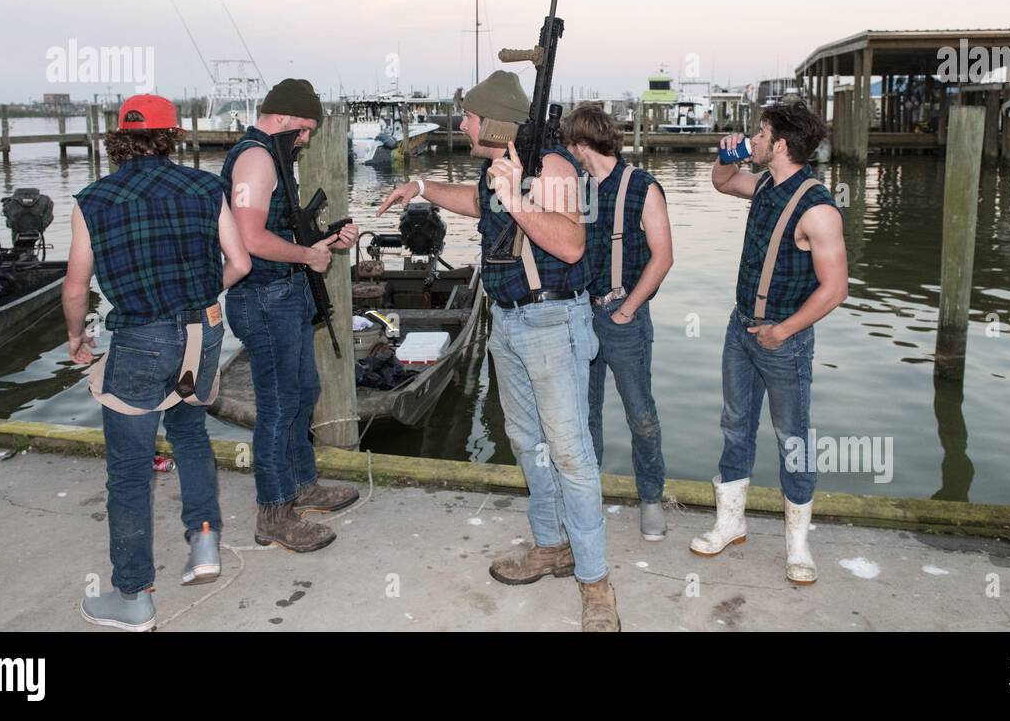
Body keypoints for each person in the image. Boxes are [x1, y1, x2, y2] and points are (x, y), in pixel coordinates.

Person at [376, 71, 619, 631]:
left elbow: (572, 241)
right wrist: (421, 189)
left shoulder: (553, 167)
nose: (460, 123)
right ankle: (551, 543)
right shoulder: (499, 167)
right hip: (509, 323)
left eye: (467, 115)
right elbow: (480, 205)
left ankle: (596, 580)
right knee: (527, 442)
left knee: (571, 454)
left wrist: (515, 199)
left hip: (552, 320)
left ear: (492, 121)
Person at [63, 93, 251, 631]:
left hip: (141, 339)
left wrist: (77, 337)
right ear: (173, 135)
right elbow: (238, 263)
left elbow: (76, 287)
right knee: (190, 433)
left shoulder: (93, 199)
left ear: (118, 137)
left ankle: (133, 595)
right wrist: (193, 297)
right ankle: (205, 541)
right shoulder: (204, 186)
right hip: (203, 333)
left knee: (128, 470)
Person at [690, 101, 848, 585]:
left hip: (785, 341)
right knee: (735, 425)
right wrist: (728, 154)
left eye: (759, 134)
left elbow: (835, 289)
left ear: (779, 144)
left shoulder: (818, 208)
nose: (753, 139)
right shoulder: (761, 184)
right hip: (741, 329)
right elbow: (720, 181)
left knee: (792, 439)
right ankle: (730, 522)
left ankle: (798, 546)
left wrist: (784, 330)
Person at [221, 78, 361, 552]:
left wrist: (326, 239)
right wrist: (307, 257)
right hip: (262, 298)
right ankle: (274, 513)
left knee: (304, 390)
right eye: (303, 129)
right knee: (279, 406)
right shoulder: (256, 158)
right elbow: (249, 237)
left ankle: (303, 485)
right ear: (281, 117)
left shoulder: (274, 155)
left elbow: (279, 228)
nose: (305, 139)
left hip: (282, 292)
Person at [561, 102, 673, 540]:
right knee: (583, 416)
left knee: (640, 413)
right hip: (579, 315)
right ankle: (588, 501)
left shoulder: (643, 188)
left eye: (570, 146)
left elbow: (663, 258)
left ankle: (651, 498)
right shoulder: (576, 188)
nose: (568, 154)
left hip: (623, 317)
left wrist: (627, 309)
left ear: (581, 145)